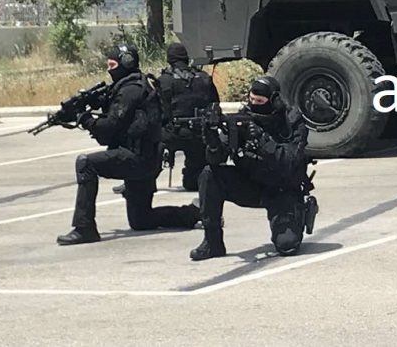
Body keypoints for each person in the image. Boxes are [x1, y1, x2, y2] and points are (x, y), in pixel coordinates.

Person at [57, 44, 201, 245]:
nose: (109, 69)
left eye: (112, 64)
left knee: (86, 163)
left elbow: (108, 129)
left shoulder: (131, 90)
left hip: (137, 158)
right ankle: (194, 213)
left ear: (125, 63)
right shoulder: (132, 85)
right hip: (146, 158)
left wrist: (85, 118)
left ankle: (84, 227)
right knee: (141, 220)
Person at [190, 75, 318, 260]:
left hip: (282, 189)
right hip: (252, 184)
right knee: (209, 175)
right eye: (251, 100)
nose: (254, 104)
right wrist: (212, 139)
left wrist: (262, 140)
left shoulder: (291, 121)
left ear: (273, 100)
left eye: (260, 101)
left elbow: (289, 162)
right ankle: (212, 242)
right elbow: (217, 159)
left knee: (287, 245)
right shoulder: (243, 118)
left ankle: (298, 212)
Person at [158, 42, 220, 191]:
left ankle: (142, 176)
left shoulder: (164, 81)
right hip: (199, 134)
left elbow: (158, 110)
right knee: (193, 183)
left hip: (174, 134)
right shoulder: (203, 78)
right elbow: (215, 104)